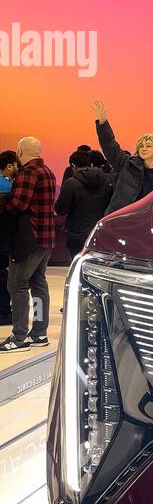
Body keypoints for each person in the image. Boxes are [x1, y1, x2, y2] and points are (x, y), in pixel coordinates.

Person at [1, 136, 56, 352]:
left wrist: (4, 202)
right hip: (46, 239)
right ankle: (39, 333)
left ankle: (19, 337)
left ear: (20, 151)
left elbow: (18, 204)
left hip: (28, 239)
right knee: (38, 283)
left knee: (17, 284)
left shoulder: (28, 172)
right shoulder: (48, 171)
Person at [91, 100, 153, 214]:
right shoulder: (126, 163)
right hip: (122, 219)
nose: (144, 148)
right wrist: (102, 123)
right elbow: (109, 145)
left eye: (148, 146)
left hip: (150, 220)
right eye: (141, 146)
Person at [55, 148, 113, 259]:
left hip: (77, 233)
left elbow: (60, 209)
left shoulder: (71, 183)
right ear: (90, 164)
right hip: (100, 232)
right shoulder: (108, 180)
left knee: (78, 267)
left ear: (73, 166)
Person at [0, 150, 21, 326]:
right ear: (9, 166)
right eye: (16, 165)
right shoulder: (6, 187)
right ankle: (4, 312)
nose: (17, 168)